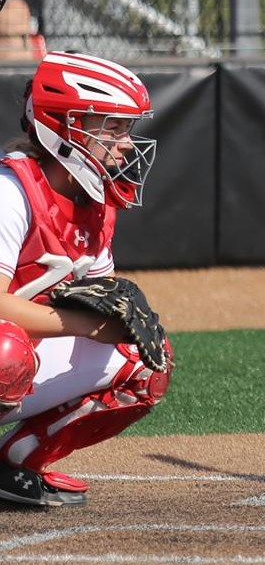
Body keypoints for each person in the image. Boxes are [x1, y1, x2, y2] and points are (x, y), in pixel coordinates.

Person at [0, 50, 169, 507]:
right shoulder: (10, 191)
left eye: (127, 128)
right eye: (112, 127)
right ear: (63, 125)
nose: (126, 143)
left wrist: (112, 310)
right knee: (5, 353)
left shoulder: (95, 204)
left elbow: (92, 297)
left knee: (143, 362)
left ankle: (13, 465)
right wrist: (84, 325)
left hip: (24, 353)